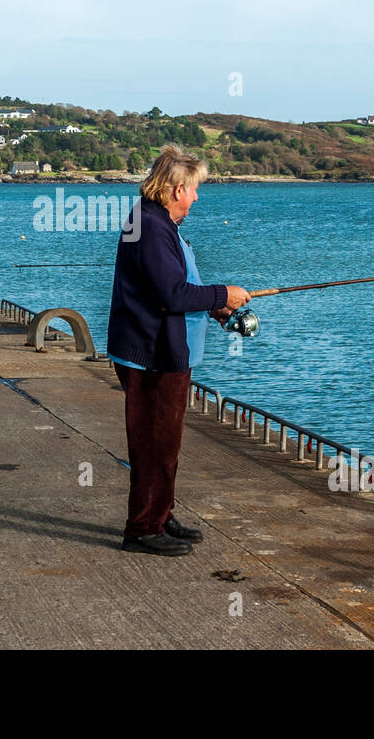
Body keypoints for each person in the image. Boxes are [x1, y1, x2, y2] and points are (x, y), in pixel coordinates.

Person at [106, 144, 251, 556]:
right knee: (153, 442)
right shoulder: (151, 227)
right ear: (174, 189)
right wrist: (225, 292)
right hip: (152, 355)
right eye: (193, 189)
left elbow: (174, 289)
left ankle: (161, 513)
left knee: (166, 441)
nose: (197, 197)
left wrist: (217, 306)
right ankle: (141, 528)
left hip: (164, 350)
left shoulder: (156, 223)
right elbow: (171, 294)